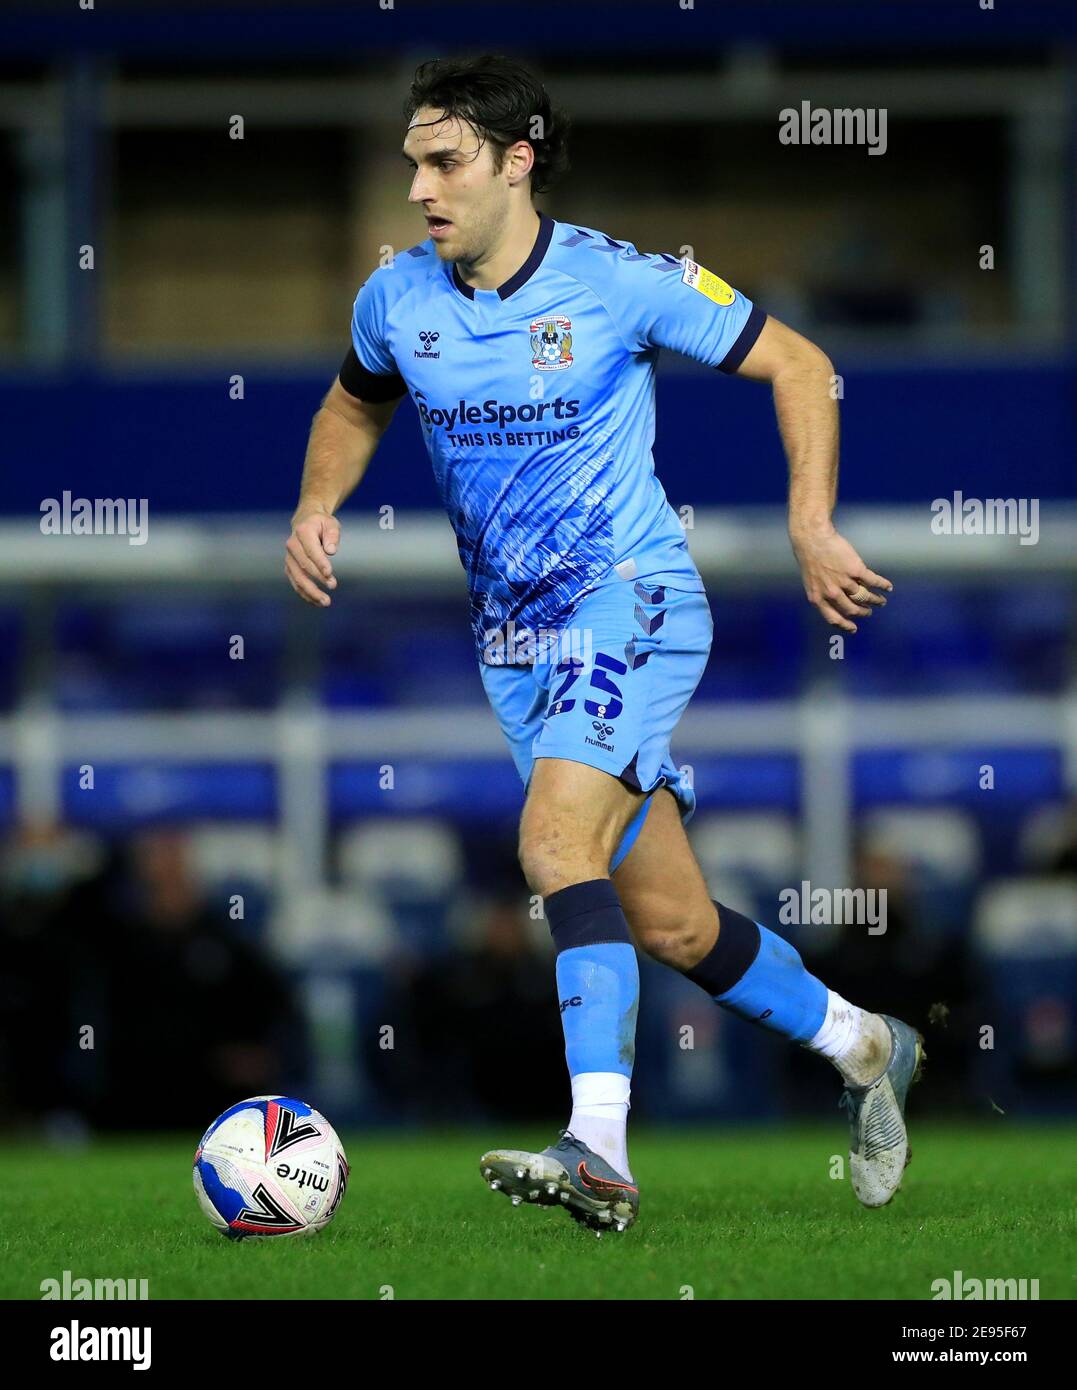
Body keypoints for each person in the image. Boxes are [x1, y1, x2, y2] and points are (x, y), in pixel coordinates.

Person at [285, 54, 922, 1232]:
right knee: (673, 921)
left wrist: (810, 523)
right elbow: (353, 400)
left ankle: (599, 1149)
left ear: (515, 161)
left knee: (550, 845)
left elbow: (801, 362)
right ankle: (869, 1045)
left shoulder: (622, 280)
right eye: (412, 162)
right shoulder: (398, 299)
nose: (421, 187)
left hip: (631, 607)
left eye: (446, 161)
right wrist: (319, 504)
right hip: (515, 646)